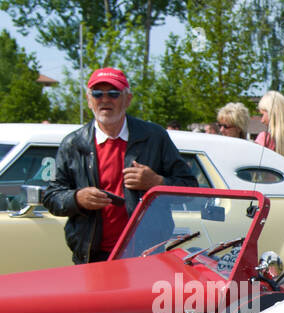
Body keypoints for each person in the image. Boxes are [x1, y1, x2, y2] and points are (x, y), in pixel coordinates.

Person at [42, 67, 196, 264]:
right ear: (89, 100)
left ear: (127, 99)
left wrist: (156, 183)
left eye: (113, 93)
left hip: (146, 256)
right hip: (92, 257)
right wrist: (77, 198)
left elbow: (190, 189)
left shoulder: (155, 137)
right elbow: (52, 197)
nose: (105, 100)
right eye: (97, 94)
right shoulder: (73, 144)